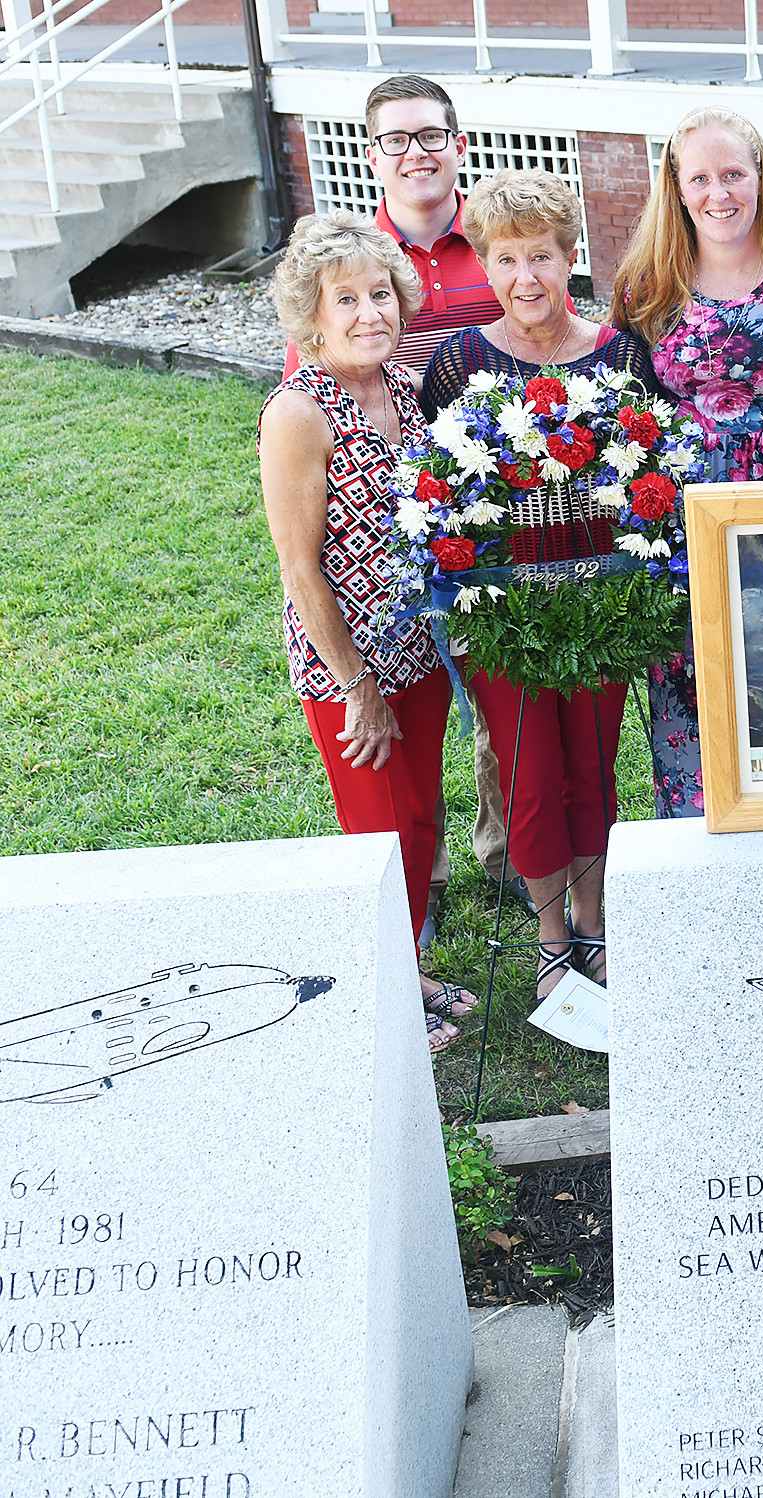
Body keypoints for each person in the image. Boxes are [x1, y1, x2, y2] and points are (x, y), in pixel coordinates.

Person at [289, 75, 545, 925]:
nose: (416, 152)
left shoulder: (490, 245)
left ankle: (488, 872)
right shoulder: (312, 380)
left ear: (458, 143)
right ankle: (406, 935)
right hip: (356, 635)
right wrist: (352, 679)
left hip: (444, 584)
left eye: (430, 135)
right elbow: (300, 552)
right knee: (382, 807)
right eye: (396, 139)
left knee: (441, 764)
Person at [421, 169, 658, 1000]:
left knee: (593, 764)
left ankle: (595, 922)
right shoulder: (458, 363)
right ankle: (551, 937)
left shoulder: (618, 355)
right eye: (508, 259)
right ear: (485, 265)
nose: (529, 278)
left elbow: (653, 470)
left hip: (605, 600)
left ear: (571, 259)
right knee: (528, 770)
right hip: (503, 610)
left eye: (545, 257)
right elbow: (440, 492)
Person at [259, 211, 472, 1051]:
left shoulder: (401, 390)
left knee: (419, 819)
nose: (366, 313)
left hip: (414, 647)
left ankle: (406, 968)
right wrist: (357, 686)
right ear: (312, 318)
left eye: (379, 294)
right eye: (343, 300)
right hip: (347, 668)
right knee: (376, 833)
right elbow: (299, 569)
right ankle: (382, 999)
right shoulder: (298, 413)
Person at [611, 106, 763, 821]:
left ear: (761, 179)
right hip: (686, 536)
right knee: (693, 708)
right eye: (699, 178)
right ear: (675, 187)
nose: (719, 193)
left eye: (733, 174)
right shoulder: (647, 291)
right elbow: (625, 421)